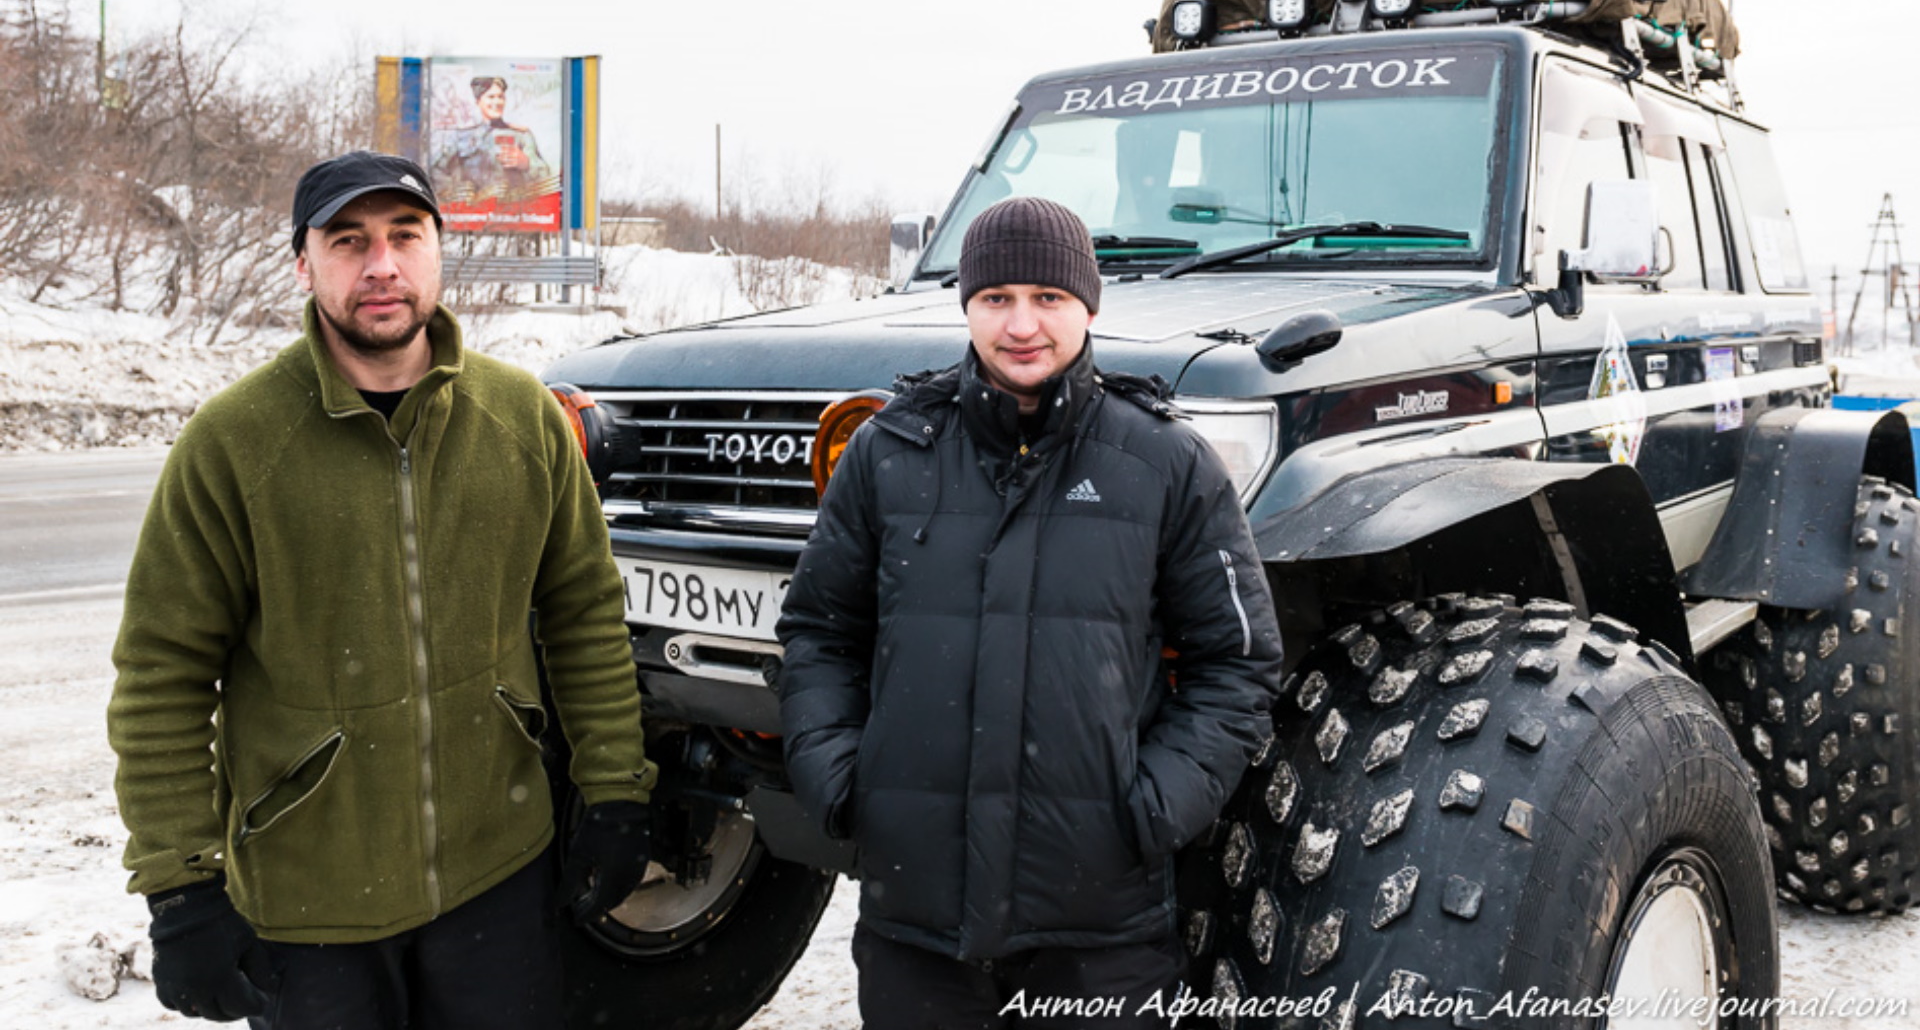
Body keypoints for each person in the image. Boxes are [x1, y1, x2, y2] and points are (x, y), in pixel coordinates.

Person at [107, 151, 654, 1028]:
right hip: (309, 905)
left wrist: (617, 791)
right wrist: (180, 889)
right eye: (348, 241)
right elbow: (161, 675)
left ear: (441, 250)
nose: (382, 266)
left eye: (405, 236)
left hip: (498, 880)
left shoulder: (520, 421)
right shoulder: (235, 445)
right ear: (303, 263)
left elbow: (584, 614)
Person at [776, 196, 1285, 1029]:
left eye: (1048, 299)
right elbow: (819, 634)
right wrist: (840, 780)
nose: (1022, 325)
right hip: (916, 919)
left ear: (1088, 305)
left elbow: (1237, 661)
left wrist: (1155, 805)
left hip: (1100, 926)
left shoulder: (1163, 461)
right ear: (967, 305)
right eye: (997, 298)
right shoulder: (889, 453)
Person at [430, 76, 556, 204]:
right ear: (478, 101)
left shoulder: (521, 135)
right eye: (491, 97)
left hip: (510, 212)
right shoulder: (462, 136)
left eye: (500, 97)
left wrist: (526, 163)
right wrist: (451, 191)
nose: (497, 102)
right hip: (473, 214)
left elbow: (545, 178)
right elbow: (436, 171)